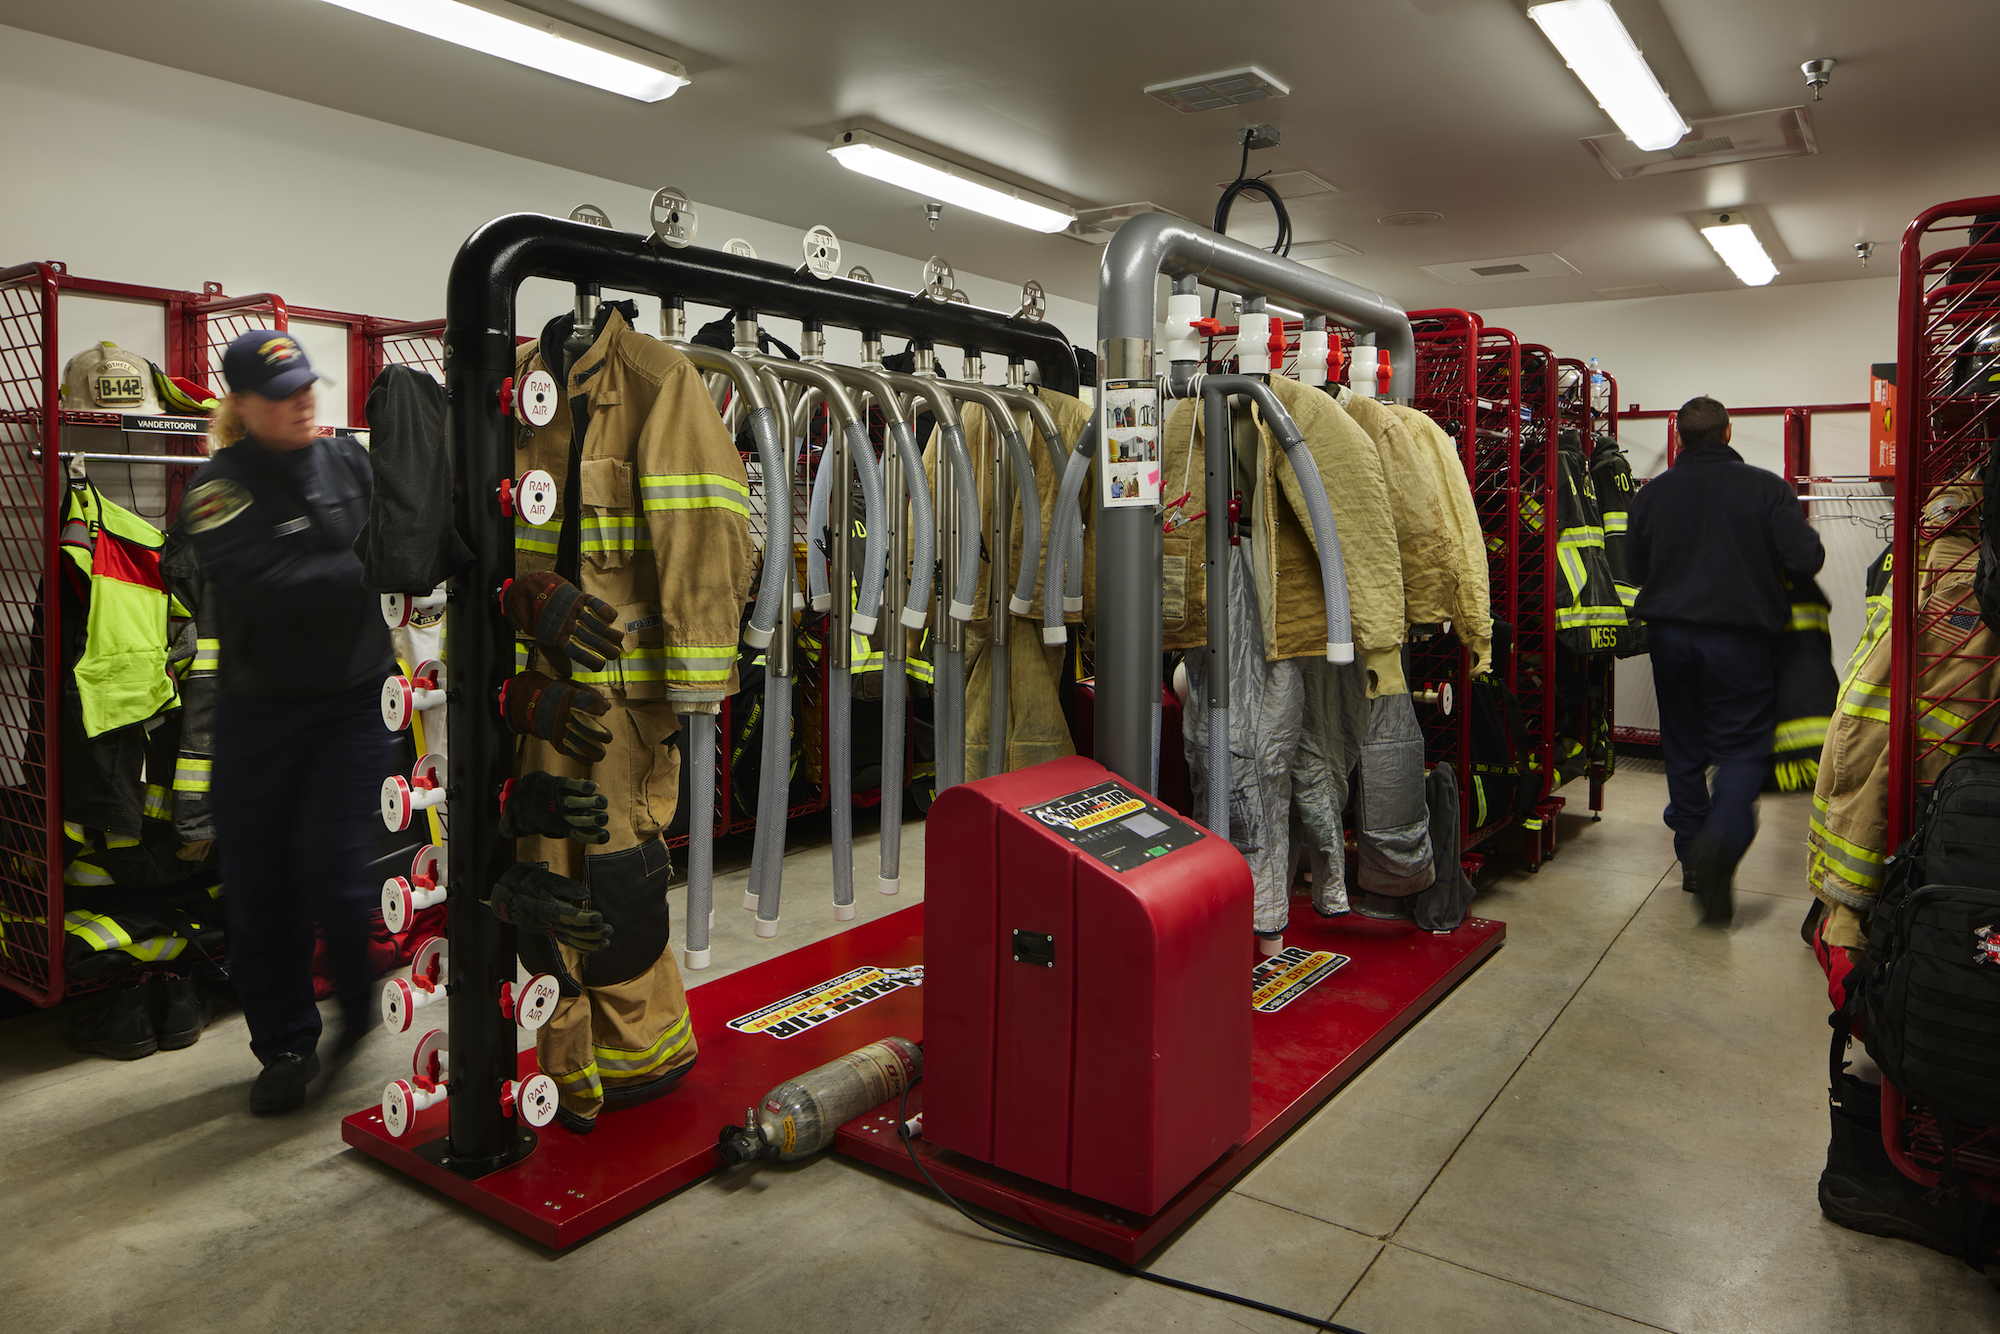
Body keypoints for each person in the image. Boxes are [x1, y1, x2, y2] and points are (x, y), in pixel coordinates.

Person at [183, 330, 393, 1112]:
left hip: (352, 704)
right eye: (281, 394)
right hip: (259, 714)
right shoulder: (215, 489)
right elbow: (271, 584)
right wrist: (377, 562)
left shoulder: (348, 462)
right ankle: (284, 1046)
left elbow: (406, 539)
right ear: (241, 405)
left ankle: (360, 1005)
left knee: (332, 869)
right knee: (259, 884)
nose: (303, 400)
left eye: (308, 385)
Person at [1627, 396, 1824, 924]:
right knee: (1742, 751)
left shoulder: (1654, 495)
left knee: (1684, 747)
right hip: (1740, 642)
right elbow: (1805, 559)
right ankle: (1722, 841)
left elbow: (1633, 567)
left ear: (1679, 438)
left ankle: (1693, 858)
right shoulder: (1765, 488)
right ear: (1728, 433)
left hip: (1668, 639)